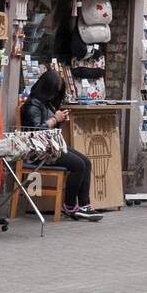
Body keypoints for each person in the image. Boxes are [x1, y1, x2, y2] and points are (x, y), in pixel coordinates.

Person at [20, 70, 103, 221]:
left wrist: (59, 119)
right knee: (78, 165)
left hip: (50, 147)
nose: (54, 96)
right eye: (53, 92)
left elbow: (49, 129)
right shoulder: (32, 104)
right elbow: (35, 131)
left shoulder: (45, 104)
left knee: (86, 162)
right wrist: (54, 119)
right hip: (37, 153)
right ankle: (69, 206)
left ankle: (84, 205)